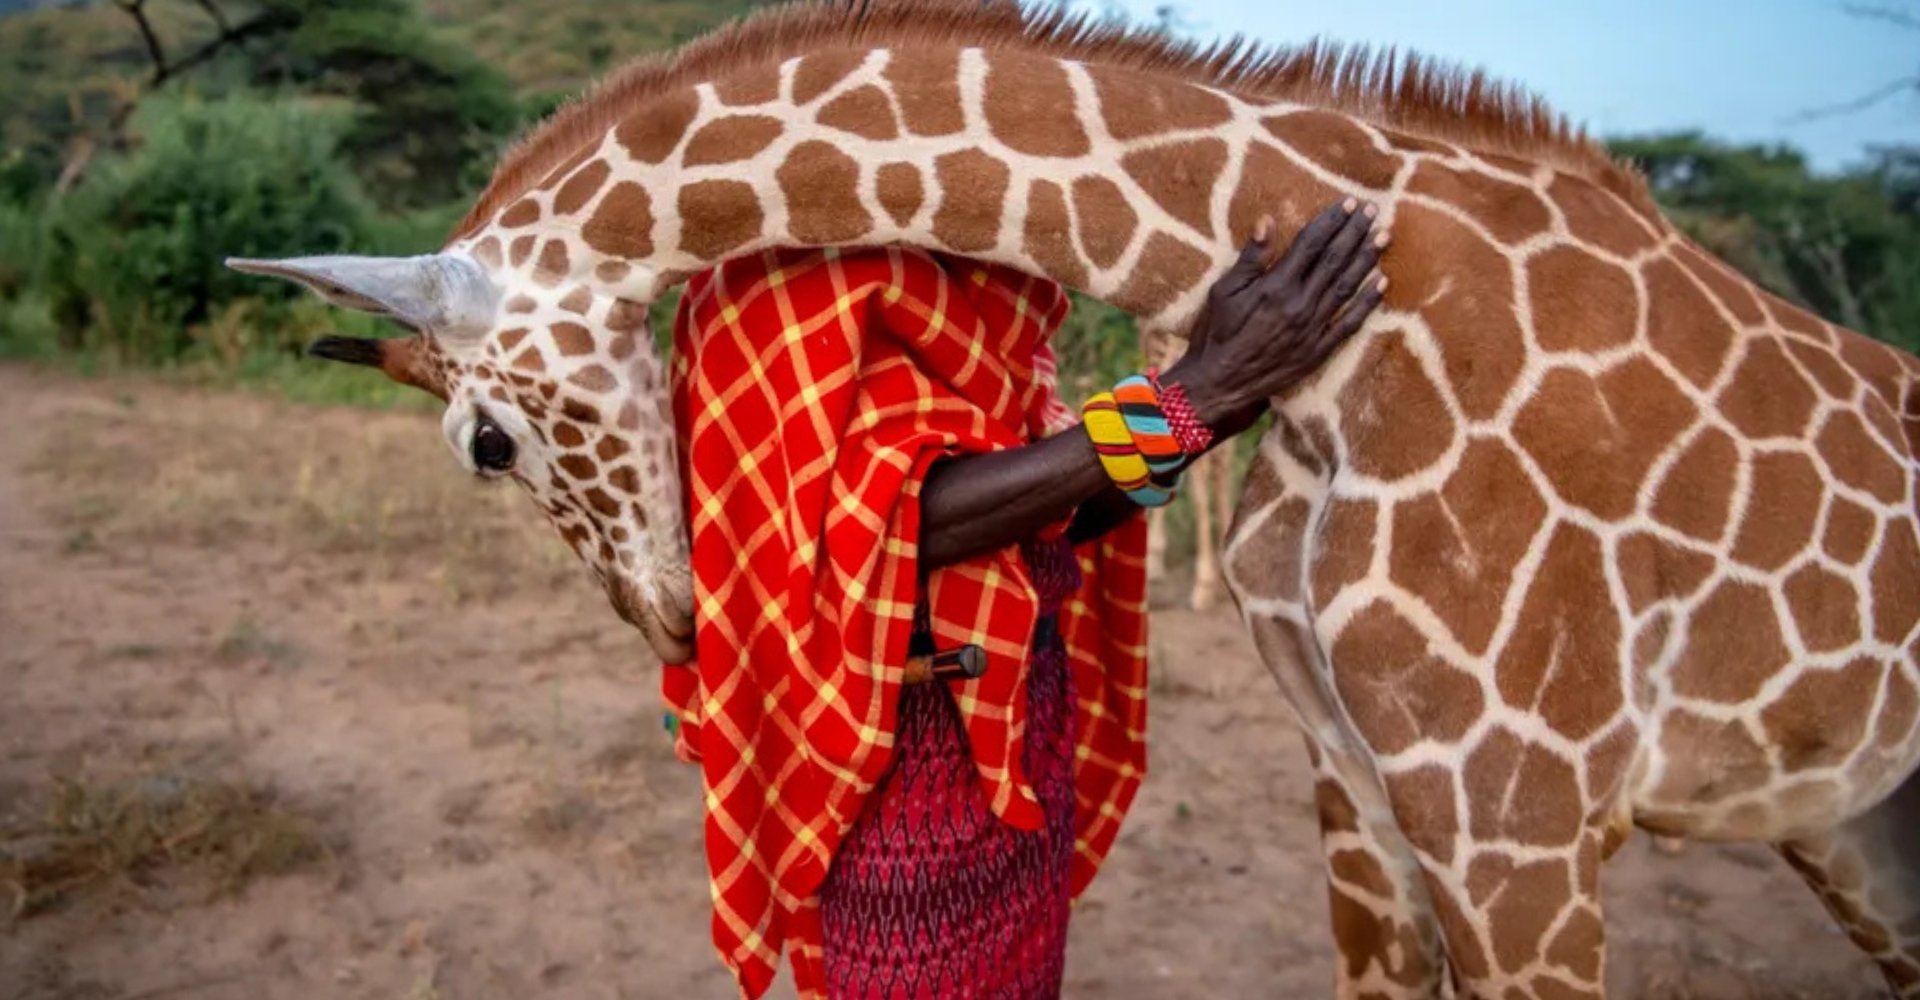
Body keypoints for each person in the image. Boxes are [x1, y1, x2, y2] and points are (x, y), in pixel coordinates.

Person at [662, 200, 1388, 1000]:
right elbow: (887, 516)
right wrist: (1193, 395)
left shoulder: (990, 293)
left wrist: (1214, 400)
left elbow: (1051, 517)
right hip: (893, 764)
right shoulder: (765, 285)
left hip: (1026, 725)